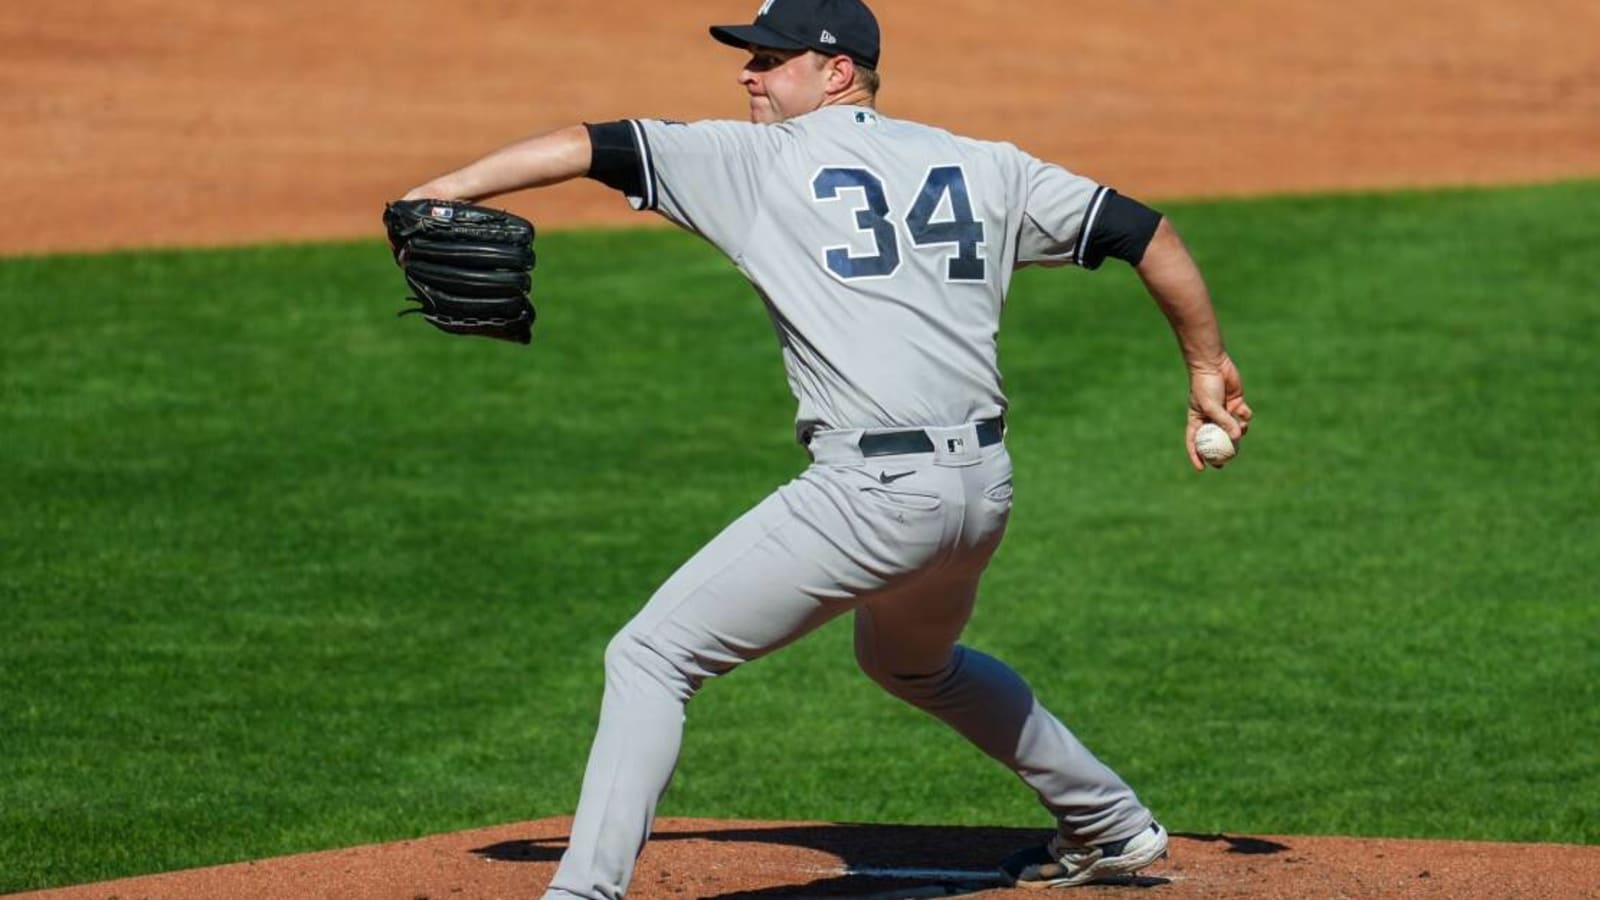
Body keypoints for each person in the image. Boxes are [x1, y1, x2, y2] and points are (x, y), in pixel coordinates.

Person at [401, 0, 1250, 895]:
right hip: (980, 491)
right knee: (910, 660)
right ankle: (1110, 825)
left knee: (651, 656)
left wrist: (441, 192)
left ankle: (582, 893)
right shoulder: (985, 165)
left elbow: (589, 144)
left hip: (873, 492)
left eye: (769, 59)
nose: (747, 75)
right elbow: (1142, 231)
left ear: (836, 71)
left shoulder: (754, 159)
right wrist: (1207, 365)